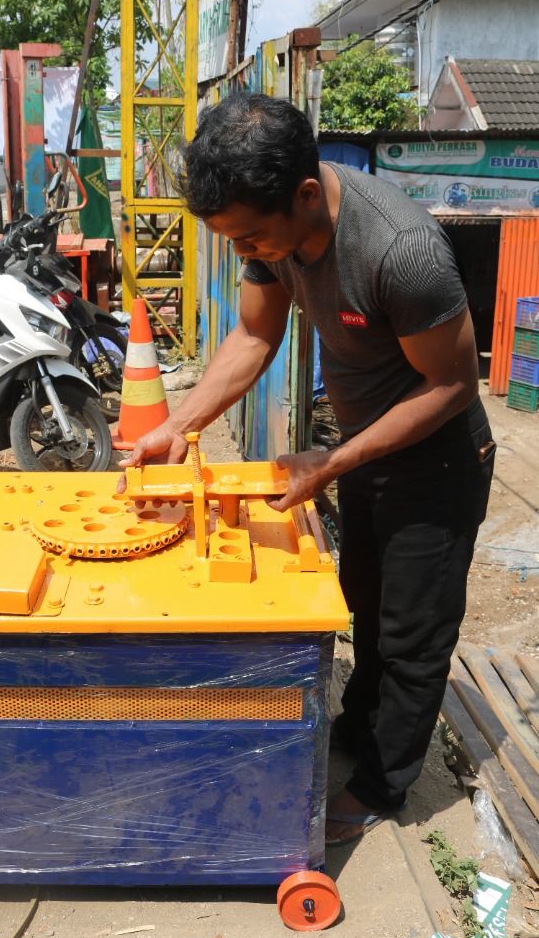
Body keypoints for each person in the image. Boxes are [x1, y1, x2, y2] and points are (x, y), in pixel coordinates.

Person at [119, 93, 495, 846]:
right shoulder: (275, 238)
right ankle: (359, 728)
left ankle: (383, 785)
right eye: (233, 241)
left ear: (307, 196)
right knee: (362, 603)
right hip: (357, 450)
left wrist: (334, 458)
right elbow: (255, 339)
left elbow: (453, 387)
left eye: (253, 237)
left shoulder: (400, 251)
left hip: (437, 460)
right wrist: (174, 426)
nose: (248, 253)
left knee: (413, 632)